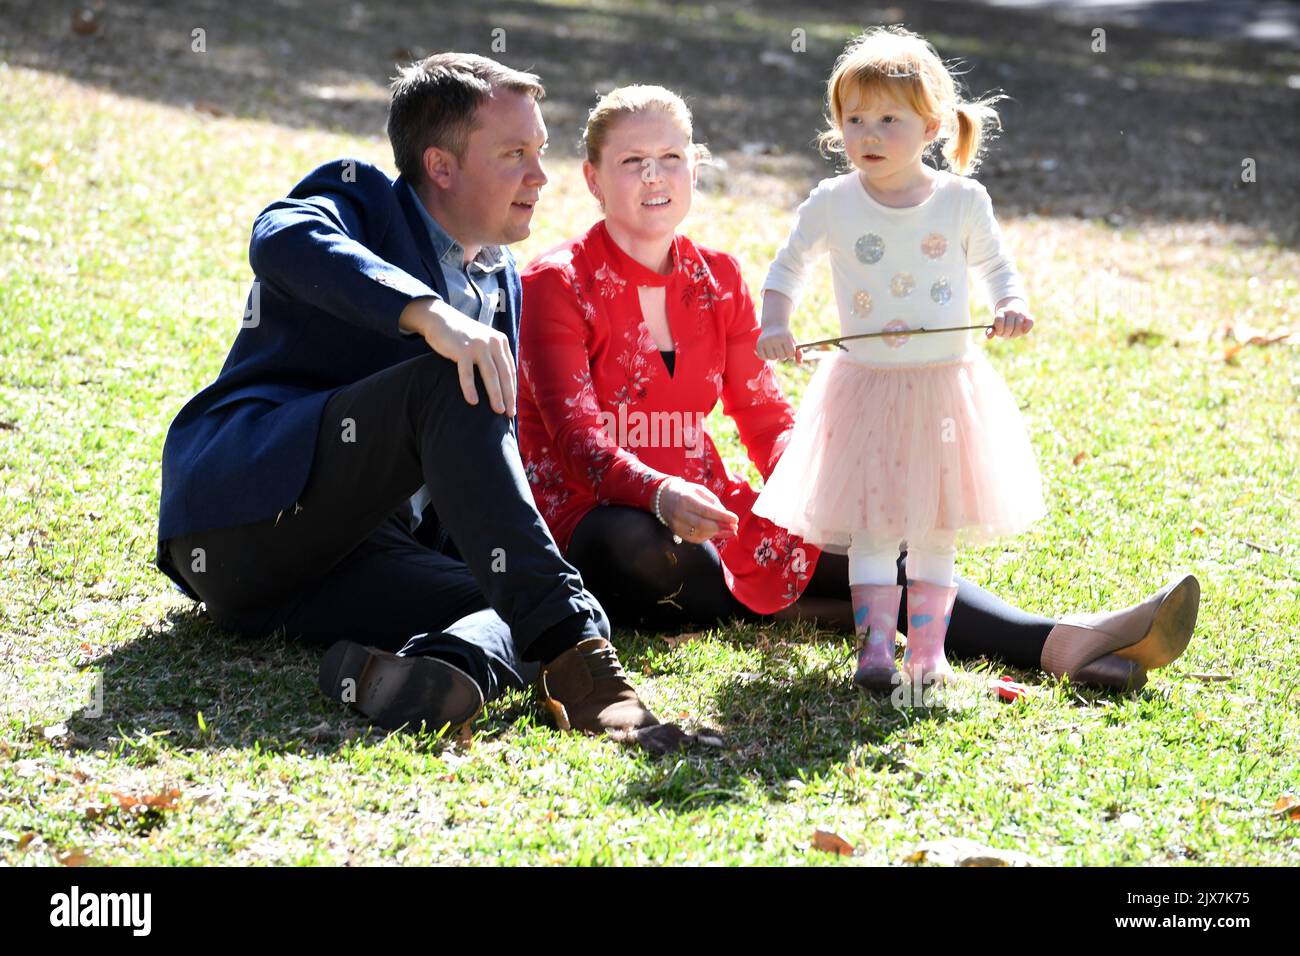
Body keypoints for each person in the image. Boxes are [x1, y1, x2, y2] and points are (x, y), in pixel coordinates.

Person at [516, 82, 1200, 693]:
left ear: (694, 166)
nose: (654, 177)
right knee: (634, 547)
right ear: (594, 179)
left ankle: (1060, 642)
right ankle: (820, 609)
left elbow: (759, 410)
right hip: (597, 513)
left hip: (714, 509)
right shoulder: (558, 282)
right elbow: (578, 443)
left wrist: (821, 483)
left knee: (872, 533)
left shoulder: (717, 277)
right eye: (632, 162)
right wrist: (661, 492)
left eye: (671, 157)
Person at [154, 54, 668, 740]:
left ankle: (436, 673)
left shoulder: (500, 280)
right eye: (515, 153)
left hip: (344, 570)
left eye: (540, 152)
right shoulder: (363, 199)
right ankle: (582, 669)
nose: (540, 177)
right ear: (442, 166)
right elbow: (280, 236)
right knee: (447, 379)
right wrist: (429, 313)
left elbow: (479, 467)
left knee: (539, 595)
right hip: (245, 515)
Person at [753, 25, 1044, 692]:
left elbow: (999, 267)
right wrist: (776, 322)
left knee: (935, 524)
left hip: (946, 389)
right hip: (865, 387)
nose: (869, 134)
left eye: (888, 118)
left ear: (932, 125)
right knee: (874, 524)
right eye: (854, 119)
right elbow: (787, 269)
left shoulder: (961, 201)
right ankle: (875, 652)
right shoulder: (834, 202)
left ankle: (929, 654)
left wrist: (1010, 303)